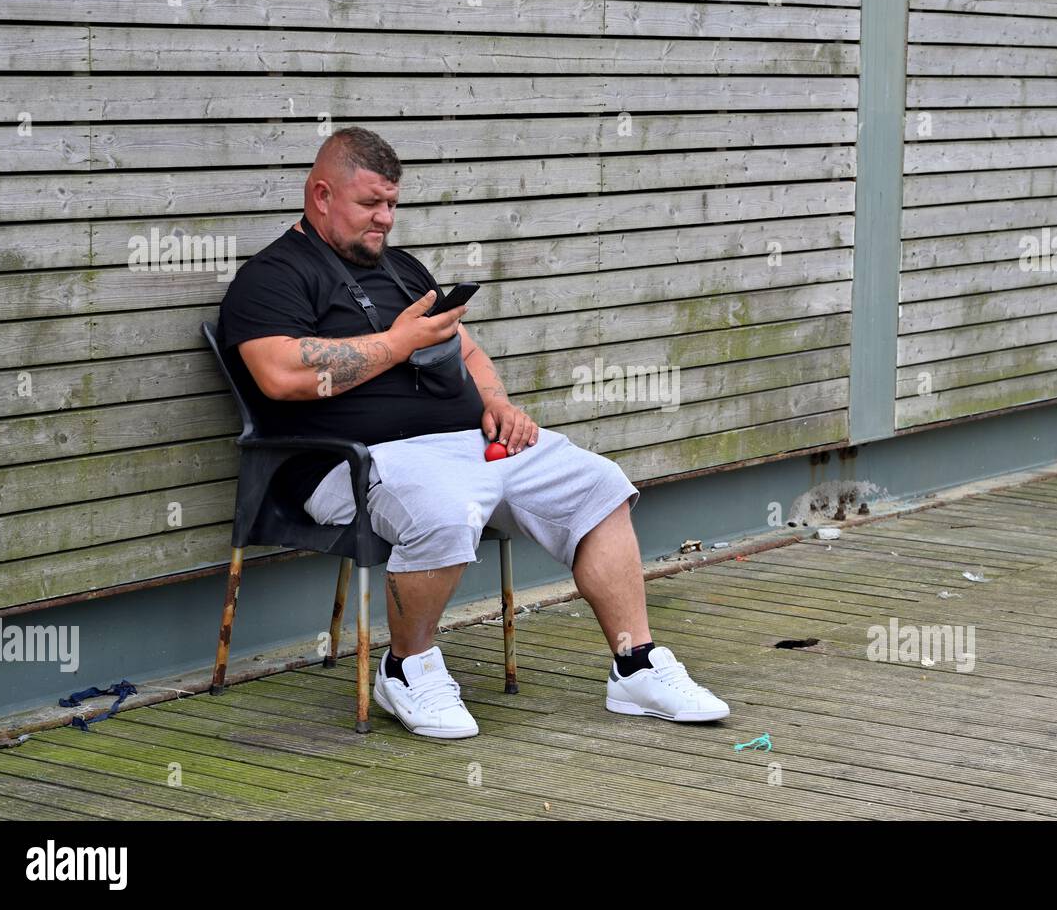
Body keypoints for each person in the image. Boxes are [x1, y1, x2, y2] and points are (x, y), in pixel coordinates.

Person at [217, 127, 729, 738]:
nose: (384, 220)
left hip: (467, 443)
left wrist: (494, 401)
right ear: (321, 195)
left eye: (392, 205)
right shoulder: (274, 276)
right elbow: (280, 376)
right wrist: (397, 342)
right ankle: (406, 669)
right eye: (369, 205)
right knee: (444, 507)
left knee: (598, 484)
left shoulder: (401, 271)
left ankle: (636, 664)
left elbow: (467, 348)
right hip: (350, 462)